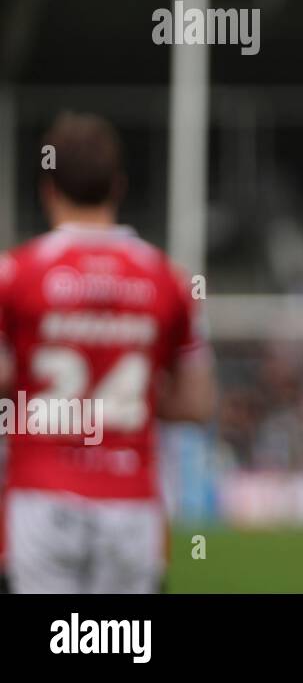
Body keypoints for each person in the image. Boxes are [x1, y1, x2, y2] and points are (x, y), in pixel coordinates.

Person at [0, 112, 215, 593]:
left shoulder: (16, 273)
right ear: (117, 187)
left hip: (39, 496)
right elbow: (198, 405)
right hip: (131, 504)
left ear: (47, 189)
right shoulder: (170, 281)